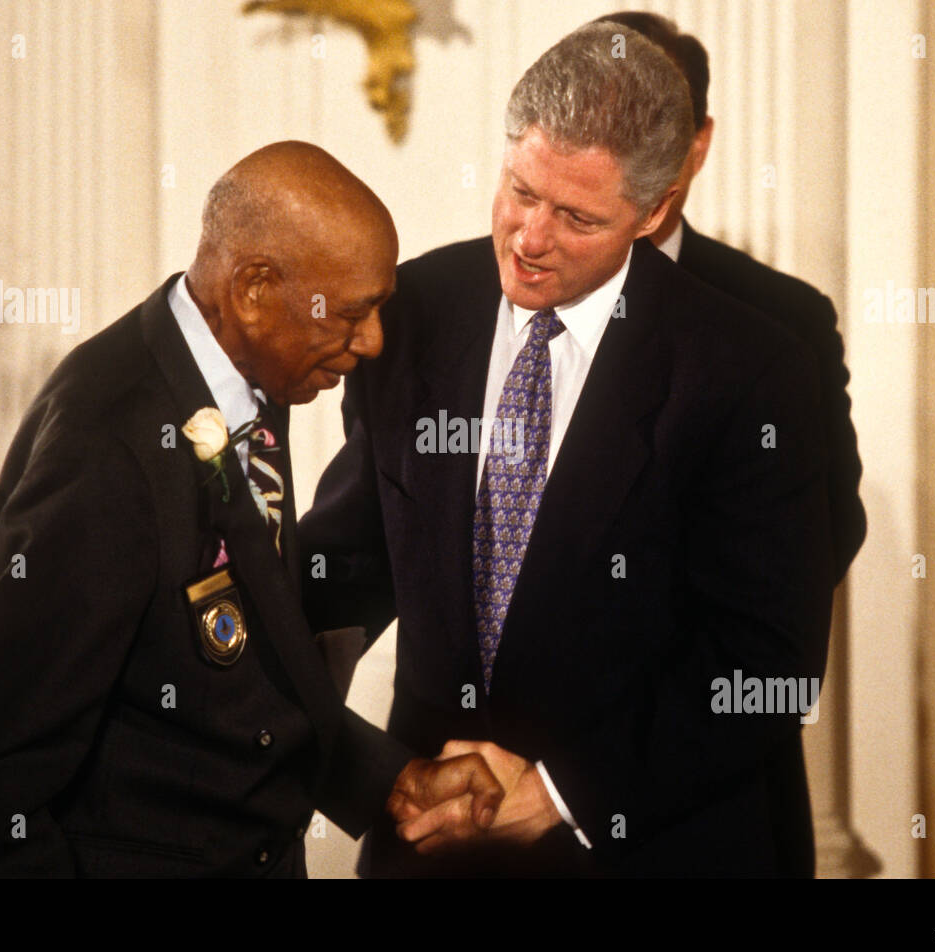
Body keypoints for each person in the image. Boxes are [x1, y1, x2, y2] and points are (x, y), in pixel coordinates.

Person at [301, 24, 834, 876]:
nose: (529, 238)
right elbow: (347, 563)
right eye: (520, 191)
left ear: (653, 211)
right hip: (431, 843)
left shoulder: (751, 370)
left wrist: (559, 790)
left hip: (639, 845)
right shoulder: (414, 311)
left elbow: (765, 664)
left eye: (578, 216)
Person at [0, 142, 503, 877]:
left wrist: (391, 782)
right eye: (354, 314)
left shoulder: (252, 387)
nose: (372, 342)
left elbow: (248, 676)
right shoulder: (104, 445)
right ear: (254, 289)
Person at [598, 10, 866, 583]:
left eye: (653, 126)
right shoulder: (469, 295)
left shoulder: (787, 321)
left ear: (699, 143)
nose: (622, 153)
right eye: (597, 122)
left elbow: (826, 528)